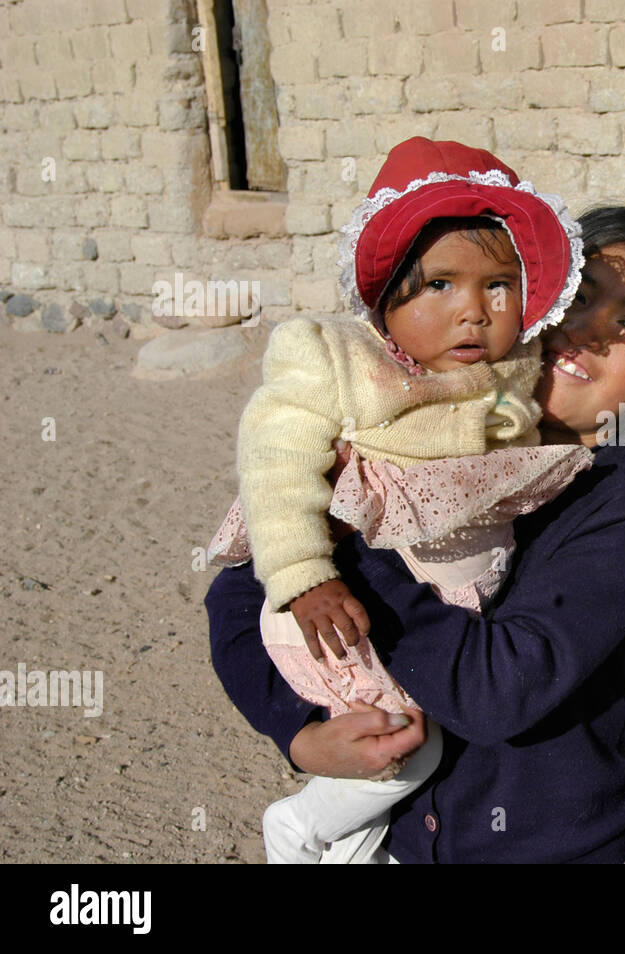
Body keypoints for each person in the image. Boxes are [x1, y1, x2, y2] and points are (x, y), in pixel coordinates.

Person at [206, 206, 625, 863]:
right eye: (576, 298)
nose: (584, 333)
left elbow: (496, 691)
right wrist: (299, 733)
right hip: (403, 842)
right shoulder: (424, 426)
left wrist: (353, 534)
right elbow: (237, 595)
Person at [205, 136, 593, 862]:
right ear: (385, 296)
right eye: (440, 285)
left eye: (498, 286)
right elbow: (276, 462)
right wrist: (306, 578)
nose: (473, 311)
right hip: (345, 623)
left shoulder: (513, 375)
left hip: (436, 627)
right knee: (404, 749)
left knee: (415, 752)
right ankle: (300, 829)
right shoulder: (336, 358)